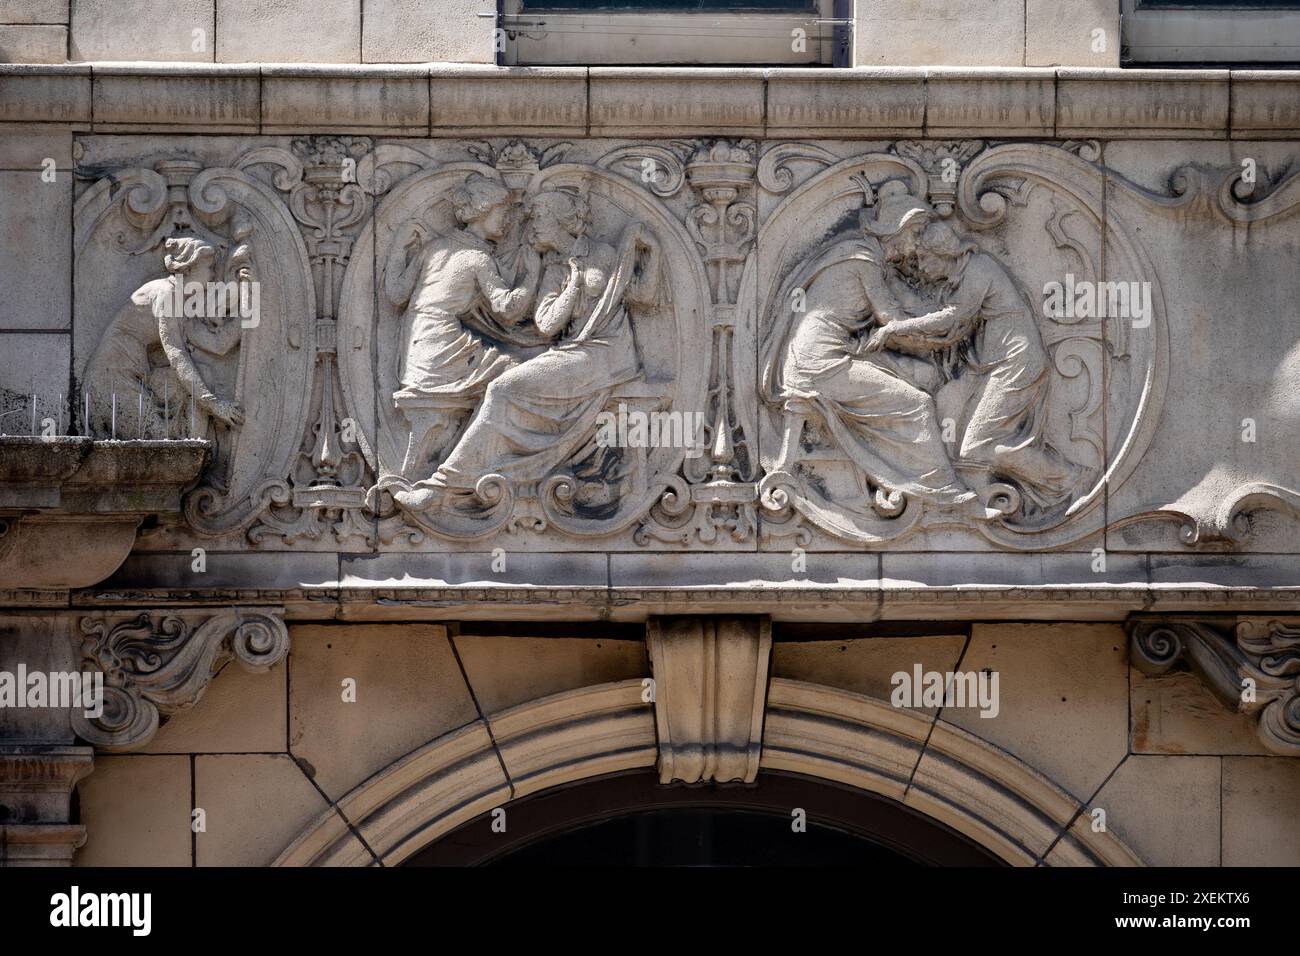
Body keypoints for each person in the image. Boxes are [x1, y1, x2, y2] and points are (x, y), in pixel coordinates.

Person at [393, 185, 661, 512]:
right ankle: (476, 472)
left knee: (503, 387)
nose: (530, 224)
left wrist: (653, 253)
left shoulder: (604, 254)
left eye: (539, 217)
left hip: (607, 356)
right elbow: (547, 324)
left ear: (563, 220)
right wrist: (572, 283)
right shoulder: (552, 270)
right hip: (575, 355)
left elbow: (643, 297)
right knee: (510, 383)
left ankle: (443, 485)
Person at [762, 180, 983, 513]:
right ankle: (941, 489)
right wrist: (947, 331)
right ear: (892, 232)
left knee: (923, 374)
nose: (913, 247)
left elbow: (901, 309)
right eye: (912, 236)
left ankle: (921, 469)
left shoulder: (857, 255)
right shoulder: (865, 263)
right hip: (822, 368)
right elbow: (893, 320)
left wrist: (935, 320)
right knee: (918, 403)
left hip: (830, 356)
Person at [865, 219, 1081, 511]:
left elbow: (952, 317)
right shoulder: (960, 277)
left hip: (1015, 366)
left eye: (926, 259)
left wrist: (895, 329)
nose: (923, 267)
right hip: (989, 369)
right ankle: (961, 502)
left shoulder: (979, 269)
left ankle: (1067, 478)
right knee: (946, 412)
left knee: (978, 447)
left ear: (945, 255)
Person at [385, 174, 542, 402]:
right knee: (518, 373)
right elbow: (507, 309)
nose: (508, 220)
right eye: (503, 212)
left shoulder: (434, 247)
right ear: (483, 211)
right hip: (443, 350)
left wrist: (399, 249)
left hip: (414, 352)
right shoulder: (477, 259)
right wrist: (533, 275)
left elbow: (397, 294)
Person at [82, 236, 242, 439]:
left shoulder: (182, 303)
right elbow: (176, 354)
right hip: (112, 380)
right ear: (189, 268)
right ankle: (191, 451)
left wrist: (247, 305)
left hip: (139, 376)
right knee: (159, 439)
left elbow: (218, 344)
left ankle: (196, 448)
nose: (213, 274)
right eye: (209, 267)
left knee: (203, 376)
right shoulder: (166, 294)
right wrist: (213, 404)